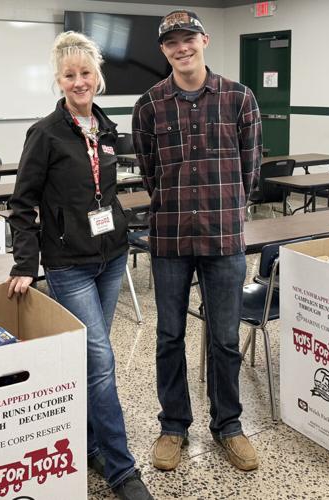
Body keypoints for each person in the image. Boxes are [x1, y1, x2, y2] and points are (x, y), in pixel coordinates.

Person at [6, 31, 153, 500]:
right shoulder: (45, 134)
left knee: (94, 358)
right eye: (69, 75)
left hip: (111, 258)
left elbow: (103, 193)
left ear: (98, 78)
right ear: (58, 80)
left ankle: (90, 443)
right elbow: (22, 203)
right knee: (103, 362)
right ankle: (121, 469)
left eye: (85, 73)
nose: (78, 81)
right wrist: (27, 263)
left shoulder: (106, 129)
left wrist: (125, 233)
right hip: (69, 264)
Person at [132, 10, 262, 473]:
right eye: (171, 42)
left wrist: (225, 208)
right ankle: (173, 427)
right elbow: (151, 171)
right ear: (164, 50)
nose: (181, 48)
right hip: (169, 238)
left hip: (224, 238)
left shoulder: (239, 98)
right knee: (169, 337)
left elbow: (250, 170)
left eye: (188, 39)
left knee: (225, 340)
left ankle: (229, 426)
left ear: (204, 40)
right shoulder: (149, 105)